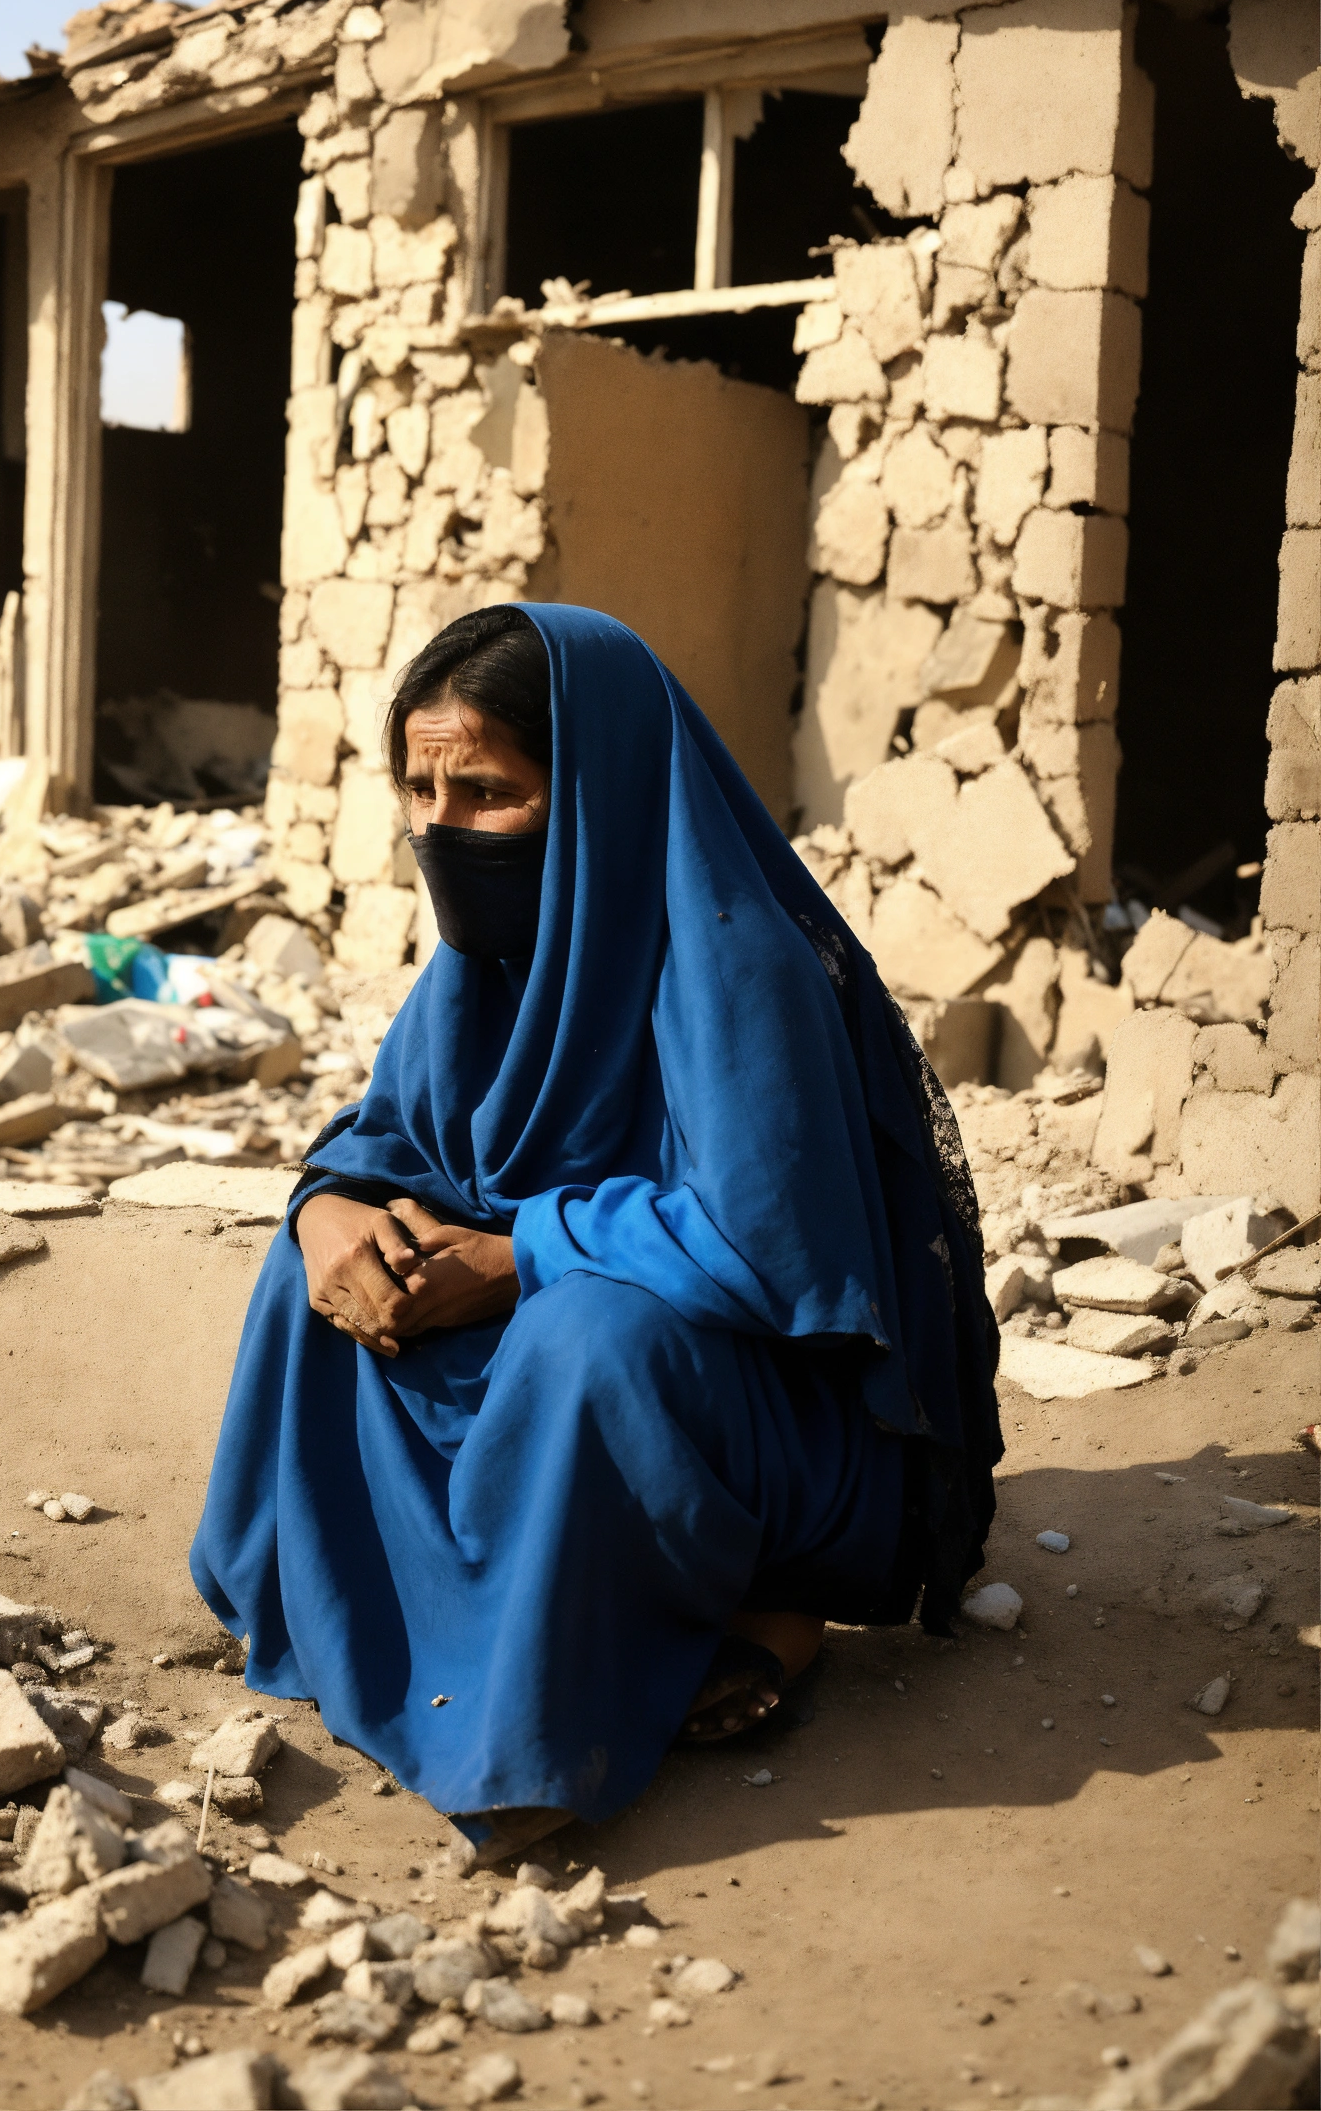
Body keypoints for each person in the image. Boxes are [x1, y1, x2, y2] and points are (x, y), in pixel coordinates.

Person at [191, 602, 1001, 1871]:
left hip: (793, 1424)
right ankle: (405, 1629)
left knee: (588, 1334)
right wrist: (330, 1210)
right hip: (603, 1361)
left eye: (490, 792)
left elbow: (769, 1245)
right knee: (326, 1275)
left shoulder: (738, 966)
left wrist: (519, 1259)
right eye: (420, 788)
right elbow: (388, 1135)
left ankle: (563, 1719)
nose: (442, 827)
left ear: (596, 789)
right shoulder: (494, 961)